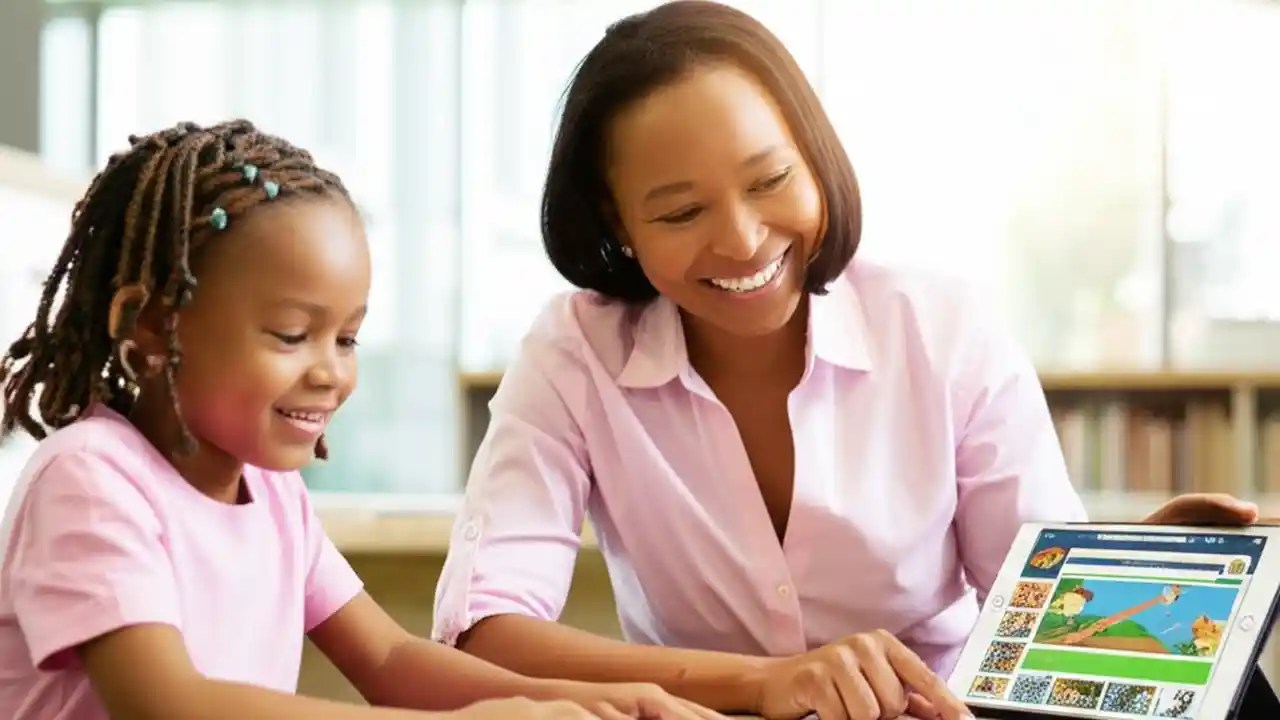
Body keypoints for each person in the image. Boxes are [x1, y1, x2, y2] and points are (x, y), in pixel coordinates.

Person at [430, 3, 1261, 720]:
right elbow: (485, 630)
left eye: (771, 179)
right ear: (618, 227)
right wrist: (767, 685)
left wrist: (1135, 571)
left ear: (814, 153)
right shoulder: (573, 354)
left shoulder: (940, 327)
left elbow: (1033, 619)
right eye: (681, 211)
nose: (743, 239)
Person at [0, 120, 725, 720]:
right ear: (153, 328)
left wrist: (606, 701)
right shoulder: (92, 480)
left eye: (346, 338)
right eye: (291, 335)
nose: (330, 372)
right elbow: (166, 704)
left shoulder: (273, 493)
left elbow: (390, 659)